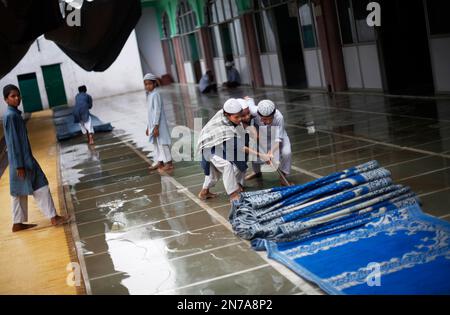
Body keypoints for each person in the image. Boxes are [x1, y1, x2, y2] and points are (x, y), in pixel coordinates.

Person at [2, 84, 70, 232]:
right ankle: (53, 217)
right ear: (6, 100)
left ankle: (17, 223)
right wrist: (19, 165)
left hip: (21, 160)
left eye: (18, 95)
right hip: (22, 162)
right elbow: (13, 142)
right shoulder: (11, 116)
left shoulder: (12, 115)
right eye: (13, 96)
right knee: (41, 184)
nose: (17, 98)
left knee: (19, 191)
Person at [197, 98, 247, 202]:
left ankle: (204, 192)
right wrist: (262, 155)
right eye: (236, 117)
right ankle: (233, 194)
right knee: (226, 165)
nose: (239, 119)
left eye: (240, 116)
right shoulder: (226, 125)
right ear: (227, 115)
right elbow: (240, 147)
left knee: (214, 170)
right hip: (207, 145)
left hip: (217, 143)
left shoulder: (226, 113)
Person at [245, 100, 292, 186]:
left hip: (278, 135)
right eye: (264, 119)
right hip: (262, 133)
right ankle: (257, 172)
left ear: (273, 114)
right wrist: (248, 99)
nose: (267, 121)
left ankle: (283, 176)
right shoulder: (254, 111)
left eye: (270, 118)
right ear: (259, 114)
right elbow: (249, 103)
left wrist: (271, 152)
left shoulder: (279, 117)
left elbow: (278, 139)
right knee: (254, 149)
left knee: (287, 152)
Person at [143, 73, 173, 173]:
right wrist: (148, 126)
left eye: (149, 84)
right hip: (153, 125)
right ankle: (160, 161)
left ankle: (169, 163)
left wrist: (156, 126)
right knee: (156, 143)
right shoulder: (150, 95)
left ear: (154, 84)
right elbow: (149, 113)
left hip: (159, 124)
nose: (148, 86)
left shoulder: (156, 94)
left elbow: (157, 111)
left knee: (163, 143)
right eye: (146, 84)